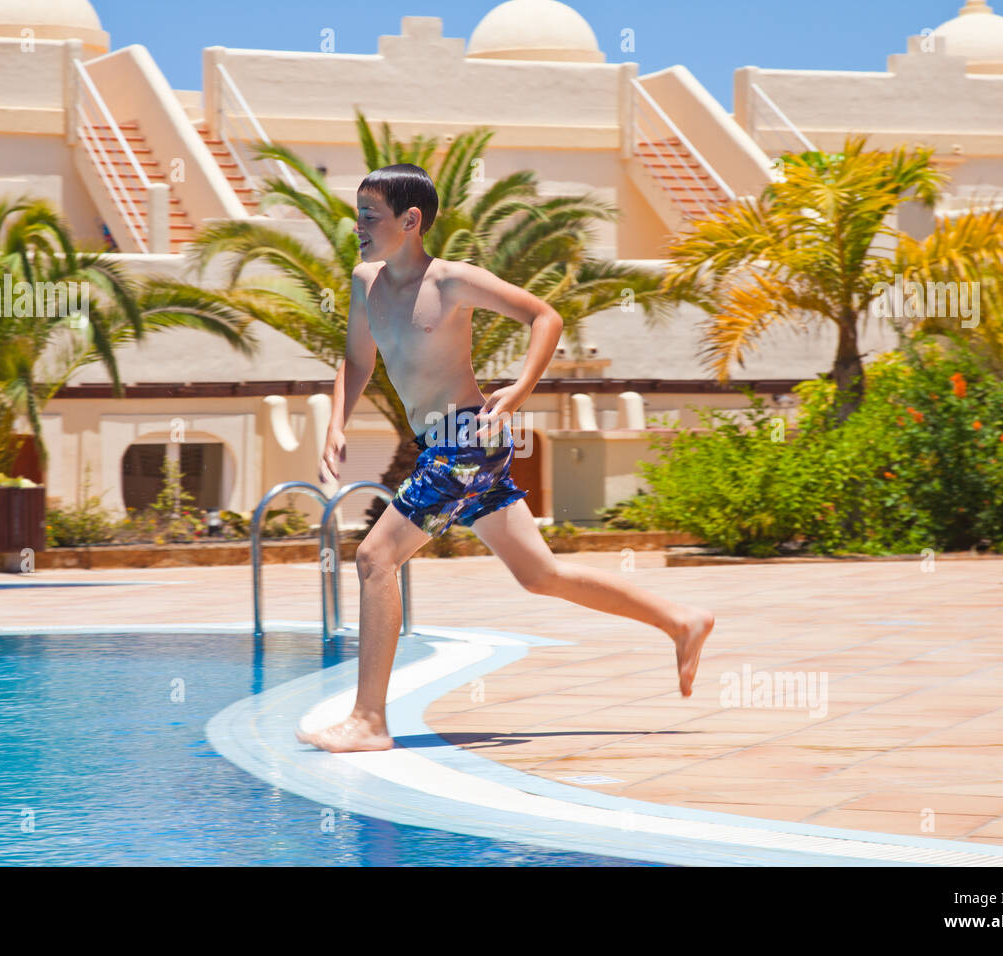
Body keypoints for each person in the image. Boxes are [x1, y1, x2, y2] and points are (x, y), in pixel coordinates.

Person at [296, 164, 714, 753]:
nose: (358, 226)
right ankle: (680, 620)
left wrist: (518, 390)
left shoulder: (452, 282)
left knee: (374, 557)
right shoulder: (365, 283)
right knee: (539, 573)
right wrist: (337, 422)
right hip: (442, 445)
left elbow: (546, 316)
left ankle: (369, 720)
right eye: (358, 213)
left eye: (371, 216)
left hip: (468, 437)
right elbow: (356, 362)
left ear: (410, 221)